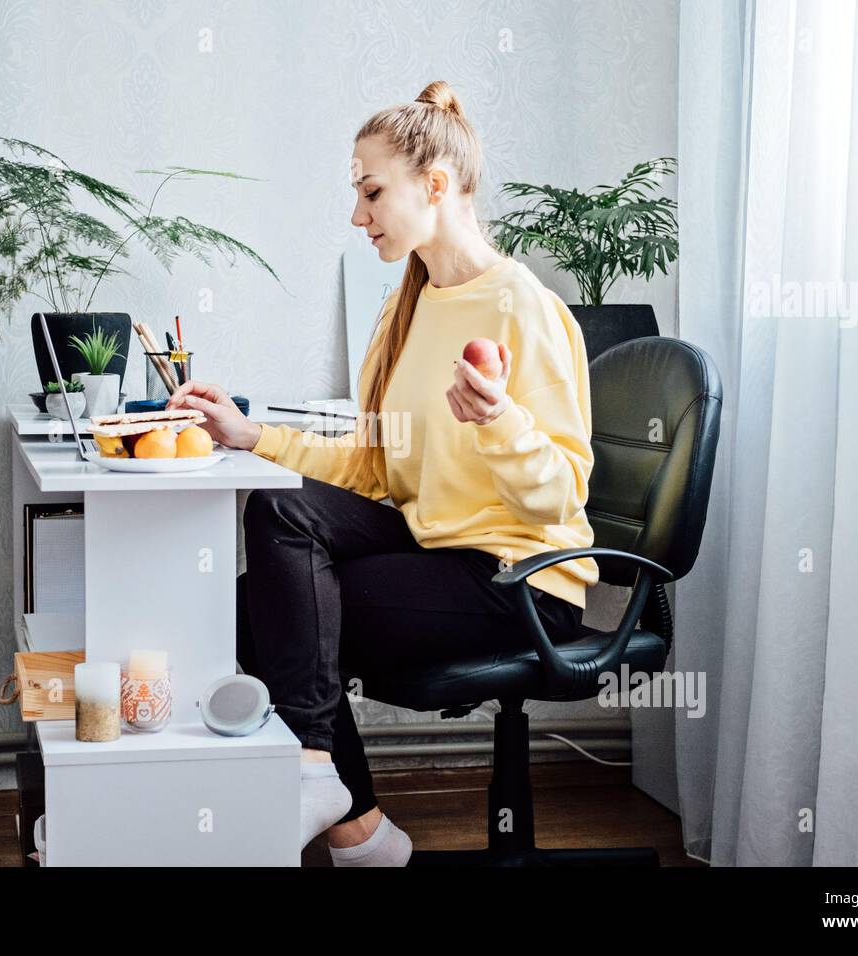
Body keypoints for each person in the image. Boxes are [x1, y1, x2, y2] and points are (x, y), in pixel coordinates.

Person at [166, 80, 599, 866]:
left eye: (372, 193)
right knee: (267, 536)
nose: (358, 216)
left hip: (521, 576)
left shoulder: (523, 307)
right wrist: (250, 434)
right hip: (434, 544)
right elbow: (371, 465)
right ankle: (347, 810)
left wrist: (500, 422)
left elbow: (562, 496)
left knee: (276, 607)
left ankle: (333, 801)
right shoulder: (407, 309)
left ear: (435, 186)